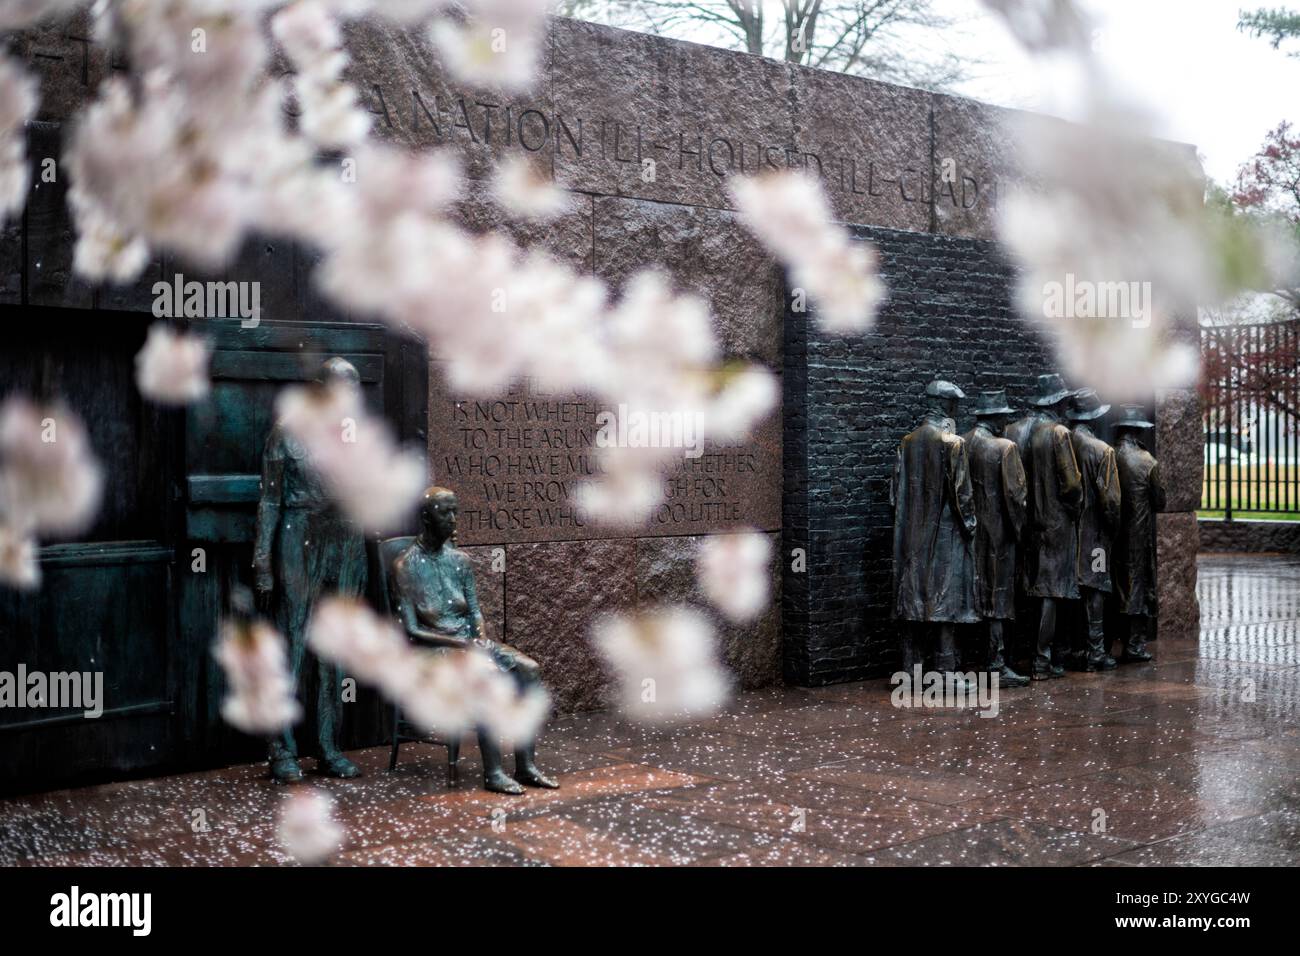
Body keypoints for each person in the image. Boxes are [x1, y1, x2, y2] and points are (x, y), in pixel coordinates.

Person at [390, 486, 558, 794]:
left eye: (456, 511)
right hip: (432, 650)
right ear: (426, 518)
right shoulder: (405, 566)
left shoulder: (460, 561)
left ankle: (526, 766)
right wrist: (463, 646)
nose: (453, 519)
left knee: (530, 669)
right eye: (445, 513)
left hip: (469, 642)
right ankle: (493, 772)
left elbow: (476, 612)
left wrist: (479, 638)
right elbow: (411, 631)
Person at [253, 357, 365, 783]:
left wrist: (359, 563)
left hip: (344, 542)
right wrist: (263, 563)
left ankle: (328, 746)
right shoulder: (288, 431)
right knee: (292, 646)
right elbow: (269, 501)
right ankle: (281, 748)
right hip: (298, 536)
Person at [892, 380, 978, 691]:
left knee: (913, 602)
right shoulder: (952, 442)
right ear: (945, 405)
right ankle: (944, 673)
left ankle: (910, 673)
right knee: (946, 603)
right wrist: (971, 527)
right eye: (954, 404)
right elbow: (962, 494)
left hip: (911, 536)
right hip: (945, 536)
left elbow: (894, 496)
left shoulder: (907, 442)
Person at [962, 389, 1030, 687]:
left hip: (969, 534)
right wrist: (1019, 532)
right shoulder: (1005, 447)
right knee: (998, 598)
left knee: (974, 595)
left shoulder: (961, 442)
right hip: (999, 536)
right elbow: (1016, 498)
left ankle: (966, 659)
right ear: (998, 418)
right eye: (1004, 415)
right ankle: (997, 664)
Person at [1023, 374, 1083, 680]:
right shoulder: (1059, 433)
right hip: (1057, 521)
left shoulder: (1030, 432)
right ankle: (1044, 660)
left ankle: (1044, 657)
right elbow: (1071, 483)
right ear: (1057, 403)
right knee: (1052, 591)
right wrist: (1077, 506)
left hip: (1035, 519)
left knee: (1040, 588)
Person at [1067, 389, 1122, 671]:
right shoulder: (1103, 451)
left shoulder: (1064, 443)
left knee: (1073, 589)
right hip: (1097, 537)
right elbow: (1111, 502)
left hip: (1068, 535)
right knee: (1096, 588)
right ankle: (1095, 651)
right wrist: (1113, 529)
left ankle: (1073, 648)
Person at [1111, 405, 1166, 663]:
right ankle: (1133, 646)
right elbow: (1160, 501)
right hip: (1137, 536)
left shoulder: (1110, 454)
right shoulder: (1146, 461)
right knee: (1137, 587)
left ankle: (1110, 641)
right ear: (1136, 432)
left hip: (1110, 536)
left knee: (1115, 584)